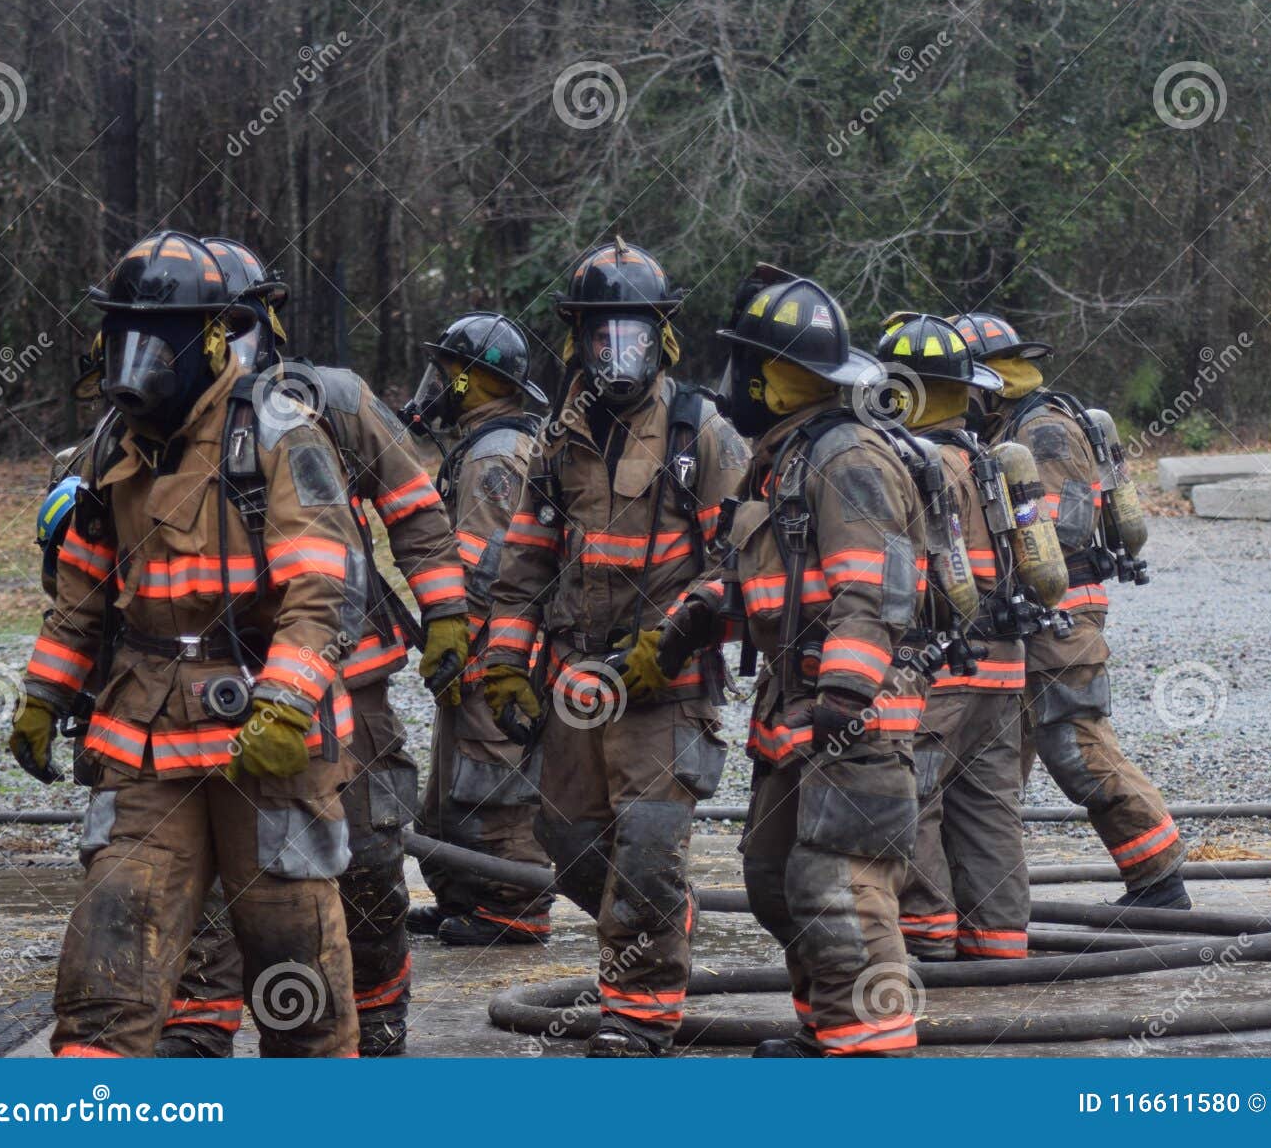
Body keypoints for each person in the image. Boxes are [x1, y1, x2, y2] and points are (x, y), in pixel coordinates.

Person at [9, 230, 364, 1056]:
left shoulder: (280, 428)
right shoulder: (111, 445)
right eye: (123, 335)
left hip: (266, 755)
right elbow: (81, 598)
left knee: (296, 984)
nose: (139, 359)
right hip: (146, 744)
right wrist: (42, 694)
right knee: (107, 970)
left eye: (157, 339)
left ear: (212, 338)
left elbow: (324, 586)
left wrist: (283, 704)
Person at [150, 237, 471, 1058]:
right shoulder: (157, 417)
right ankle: (199, 1035)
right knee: (213, 880)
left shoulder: (330, 400)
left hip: (343, 686)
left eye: (239, 324)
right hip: (201, 690)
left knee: (362, 864)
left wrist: (445, 615)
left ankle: (375, 1027)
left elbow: (416, 511)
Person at [651, 271, 959, 1056]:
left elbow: (876, 591)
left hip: (854, 715)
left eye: (746, 368)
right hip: (795, 711)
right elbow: (767, 571)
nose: (733, 387)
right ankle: (827, 1024)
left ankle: (871, 1046)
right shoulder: (784, 458)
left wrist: (846, 692)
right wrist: (695, 615)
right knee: (774, 873)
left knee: (841, 884)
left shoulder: (848, 457)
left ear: (778, 378)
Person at [478, 238, 749, 1057]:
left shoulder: (702, 433)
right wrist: (503, 661)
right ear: (579, 340)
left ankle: (639, 1014)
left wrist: (669, 644)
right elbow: (525, 558)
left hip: (664, 692)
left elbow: (740, 566)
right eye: (602, 335)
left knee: (648, 850)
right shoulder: (559, 439)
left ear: (662, 337)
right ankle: (655, 932)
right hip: (575, 684)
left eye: (632, 334)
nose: (616, 352)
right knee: (567, 842)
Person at [958, 312, 1189, 909]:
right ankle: (977, 892)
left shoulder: (1046, 433)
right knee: (997, 757)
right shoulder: (1015, 423)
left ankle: (1160, 879)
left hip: (1061, 614)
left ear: (990, 383)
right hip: (1028, 617)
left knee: (1074, 743)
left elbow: (1059, 531)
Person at [877, 312, 1059, 961]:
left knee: (914, 801)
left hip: (940, 671)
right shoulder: (991, 459)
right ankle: (998, 942)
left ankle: (924, 944)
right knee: (989, 811)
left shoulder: (906, 464)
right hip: (1002, 671)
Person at [405, 312, 557, 946]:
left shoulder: (494, 457)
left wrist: (459, 632)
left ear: (471, 380)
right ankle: (465, 896)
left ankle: (513, 907)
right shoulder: (484, 444)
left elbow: (491, 564)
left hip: (496, 651)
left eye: (444, 371)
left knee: (495, 780)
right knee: (451, 789)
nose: (433, 383)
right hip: (475, 650)